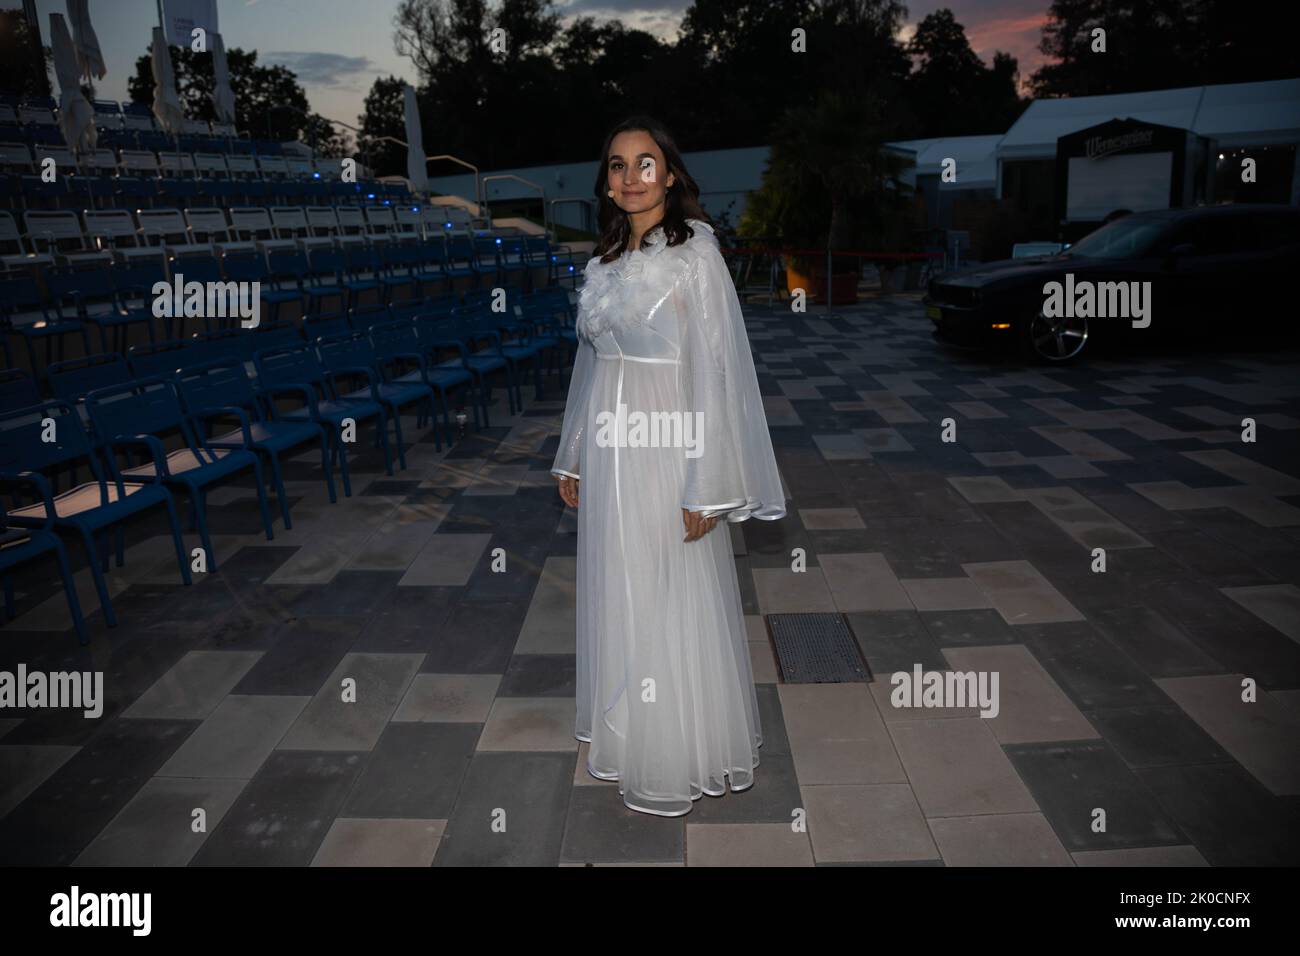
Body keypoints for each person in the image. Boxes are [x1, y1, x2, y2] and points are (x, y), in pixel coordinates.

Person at [551, 115, 787, 817]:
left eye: (644, 163)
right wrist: (572, 454)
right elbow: (588, 365)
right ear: (607, 181)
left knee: (666, 591)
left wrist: (706, 483)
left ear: (672, 174)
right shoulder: (600, 262)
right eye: (617, 165)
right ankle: (627, 734)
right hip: (609, 444)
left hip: (667, 443)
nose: (630, 177)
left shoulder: (697, 257)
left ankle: (674, 746)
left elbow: (716, 374)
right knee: (620, 586)